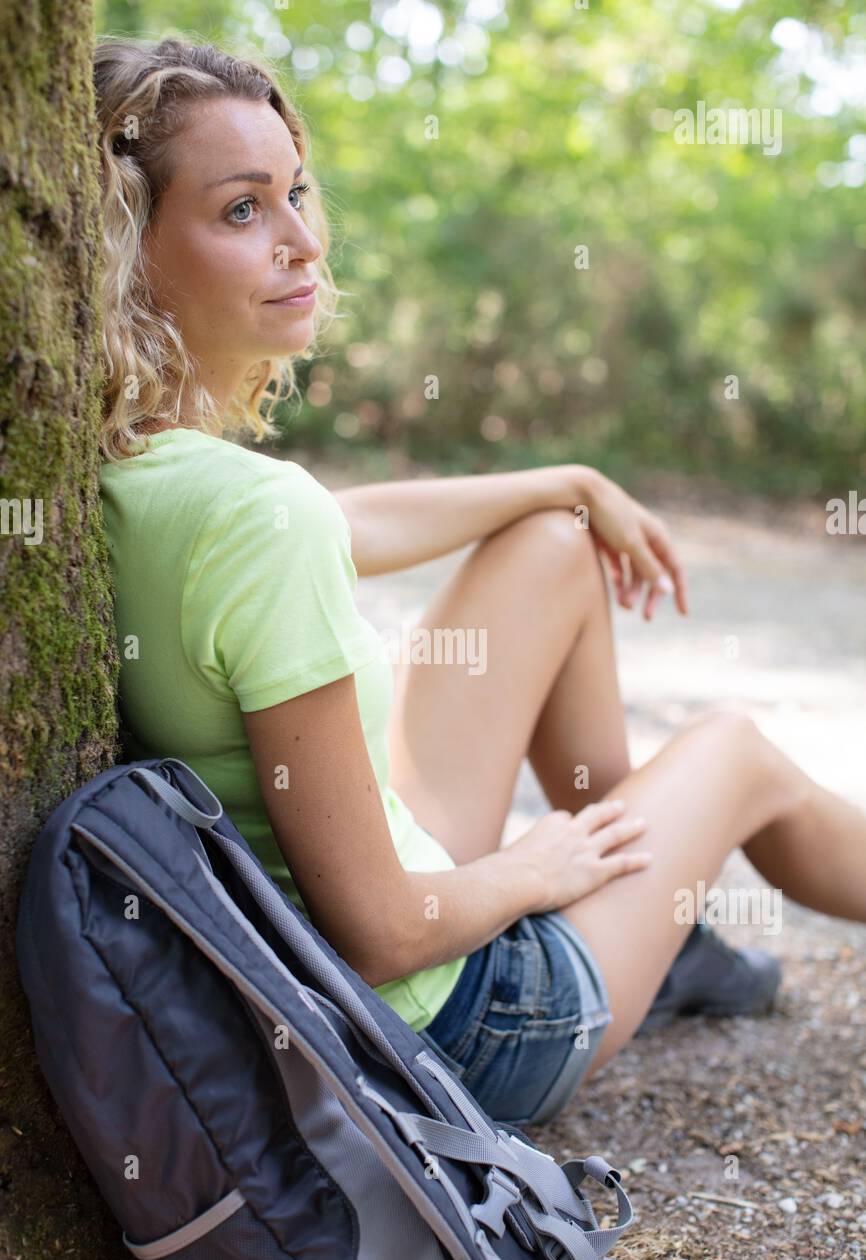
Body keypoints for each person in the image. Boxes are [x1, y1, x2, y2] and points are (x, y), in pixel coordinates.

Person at [95, 36, 866, 1128]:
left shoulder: (129, 476)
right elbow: (386, 932)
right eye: (240, 212)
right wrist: (534, 869)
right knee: (735, 751)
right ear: (126, 251)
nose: (303, 243)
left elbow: (332, 526)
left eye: (296, 196)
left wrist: (566, 480)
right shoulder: (255, 518)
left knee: (550, 540)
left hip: (347, 949)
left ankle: (656, 922)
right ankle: (622, 911)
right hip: (452, 1026)